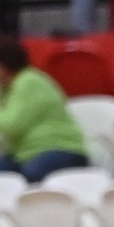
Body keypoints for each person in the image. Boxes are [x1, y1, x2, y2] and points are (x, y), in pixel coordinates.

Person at [0, 33, 88, 180]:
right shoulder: (6, 89)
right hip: (25, 154)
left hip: (62, 149)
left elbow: (11, 125)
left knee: (30, 175)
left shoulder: (29, 81)